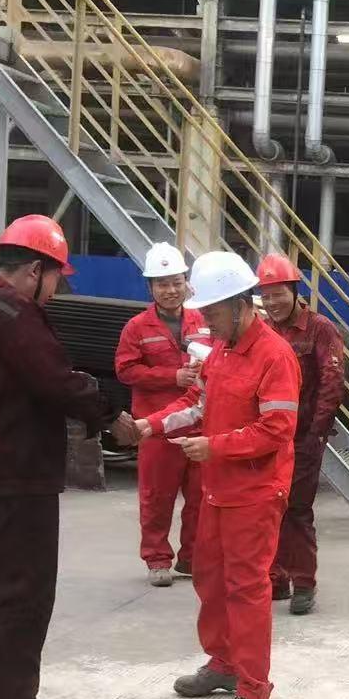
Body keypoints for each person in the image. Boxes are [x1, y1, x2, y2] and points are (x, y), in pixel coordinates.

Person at [0, 215, 138, 699]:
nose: (55, 291)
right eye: (55, 279)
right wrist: (111, 413)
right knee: (21, 598)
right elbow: (58, 382)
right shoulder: (15, 316)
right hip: (20, 475)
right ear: (34, 270)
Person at [140, 251, 300, 699]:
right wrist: (151, 425)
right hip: (218, 488)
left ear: (239, 305)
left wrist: (216, 447)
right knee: (209, 579)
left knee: (247, 589)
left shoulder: (274, 356)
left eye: (211, 311)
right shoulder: (222, 351)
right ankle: (224, 664)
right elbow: (197, 402)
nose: (205, 320)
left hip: (255, 492)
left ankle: (253, 691)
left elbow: (277, 429)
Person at [256, 253, 345, 615]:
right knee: (269, 507)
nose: (272, 302)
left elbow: (331, 383)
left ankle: (304, 583)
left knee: (297, 510)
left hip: (304, 436)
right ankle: (276, 578)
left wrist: (316, 435)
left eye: (279, 294)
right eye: (266, 296)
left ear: (294, 292)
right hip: (269, 437)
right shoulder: (263, 330)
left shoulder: (320, 329)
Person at [114, 242, 206, 588]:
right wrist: (171, 377)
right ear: (150, 287)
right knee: (157, 496)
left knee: (200, 496)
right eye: (163, 284)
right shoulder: (137, 327)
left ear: (186, 283)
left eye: (176, 282)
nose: (171, 290)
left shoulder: (203, 320)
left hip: (198, 422)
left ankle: (191, 557)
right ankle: (157, 559)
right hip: (155, 426)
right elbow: (125, 370)